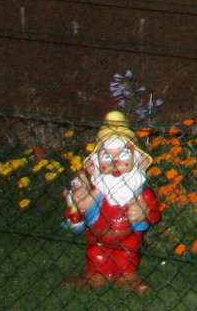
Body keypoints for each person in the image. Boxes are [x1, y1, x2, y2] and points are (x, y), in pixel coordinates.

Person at [61, 111, 161, 292]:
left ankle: (127, 276)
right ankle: (95, 274)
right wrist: (76, 207)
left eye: (123, 156)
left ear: (137, 160)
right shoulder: (96, 191)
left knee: (126, 256)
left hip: (128, 238)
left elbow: (154, 215)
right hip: (97, 236)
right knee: (95, 254)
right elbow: (78, 215)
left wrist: (144, 215)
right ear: (96, 164)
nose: (115, 162)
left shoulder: (141, 193)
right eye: (107, 157)